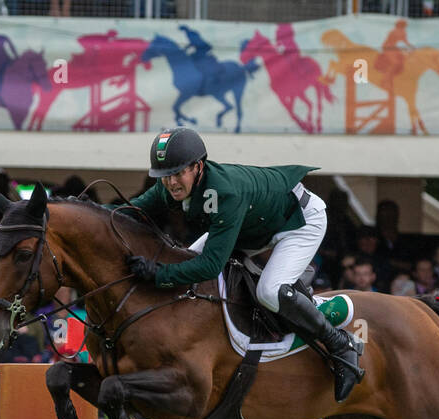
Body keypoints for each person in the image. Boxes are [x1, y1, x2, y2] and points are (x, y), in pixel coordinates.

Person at [120, 128, 362, 401]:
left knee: (270, 292)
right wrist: (82, 211)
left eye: (178, 174)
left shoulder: (225, 193)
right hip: (254, 224)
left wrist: (158, 274)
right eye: (165, 176)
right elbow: (129, 212)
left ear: (198, 167)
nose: (171, 183)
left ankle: (341, 345)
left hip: (299, 220)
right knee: (184, 258)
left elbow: (210, 266)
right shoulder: (175, 186)